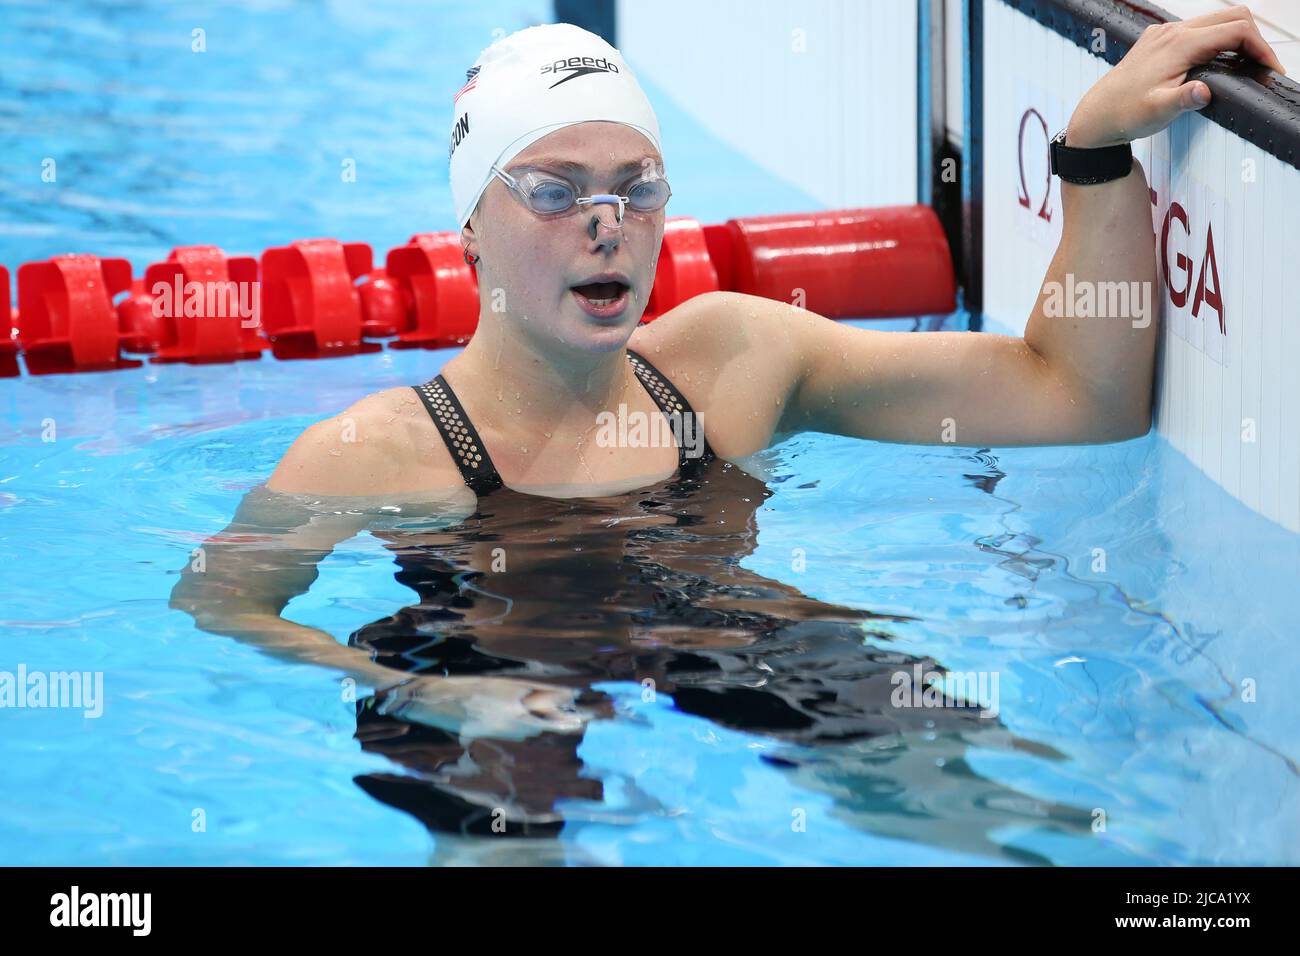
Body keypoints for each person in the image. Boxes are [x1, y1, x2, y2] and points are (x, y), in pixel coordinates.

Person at [170, 12, 1285, 847]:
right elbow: (216, 600)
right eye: (554, 192)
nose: (605, 225)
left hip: (724, 630)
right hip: (486, 666)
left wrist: (1091, 150)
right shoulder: (378, 452)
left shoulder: (735, 364)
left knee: (1026, 815)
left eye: (637, 188)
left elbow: (1076, 396)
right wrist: (428, 690)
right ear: (467, 225)